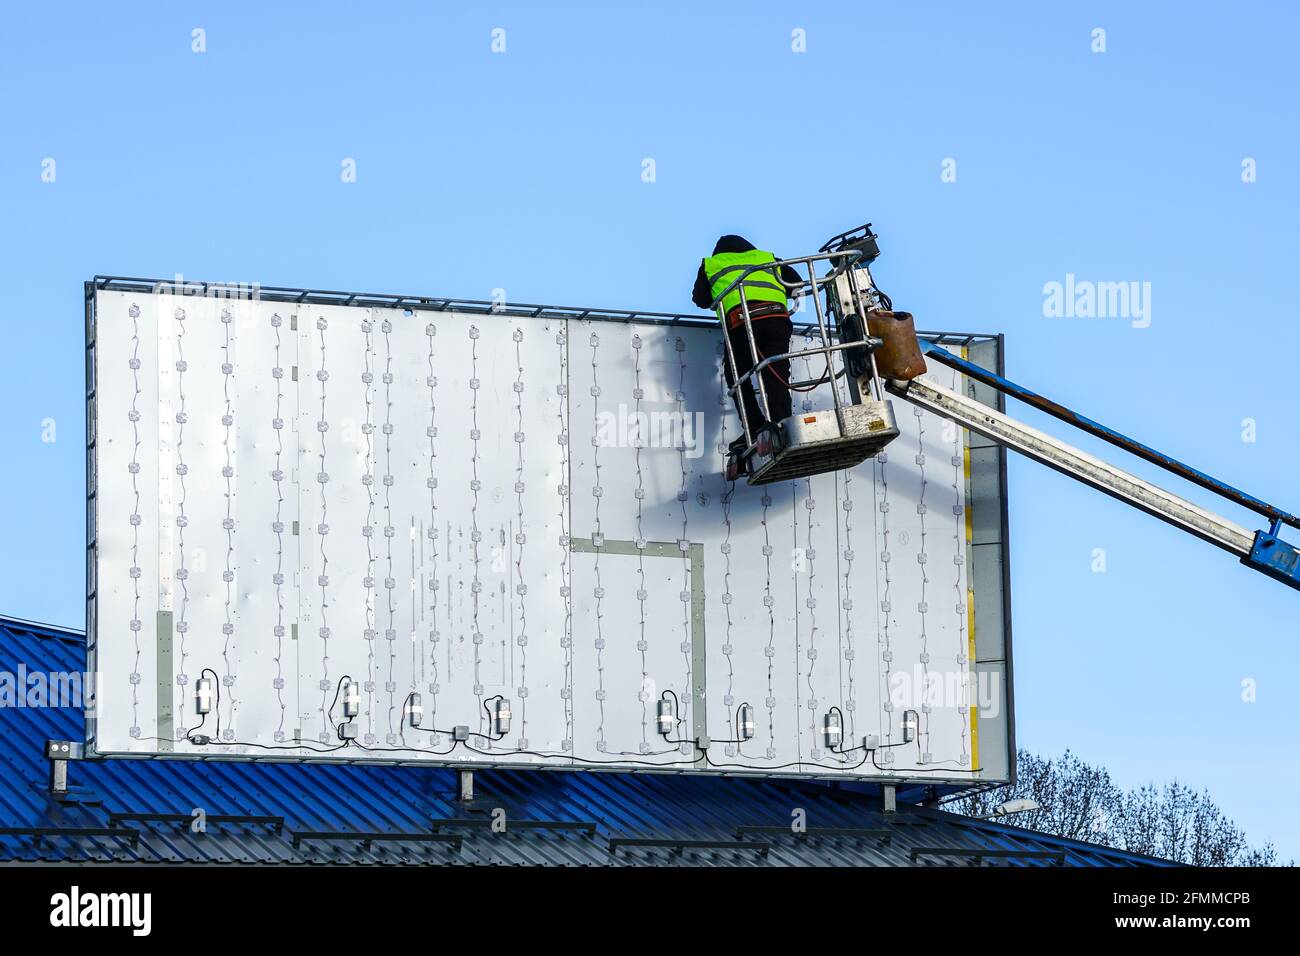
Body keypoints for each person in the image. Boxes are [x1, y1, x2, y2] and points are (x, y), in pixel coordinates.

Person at [692, 235, 801, 452]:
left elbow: (700, 299)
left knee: (737, 376)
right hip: (777, 320)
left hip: (741, 323)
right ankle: (780, 422)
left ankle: (754, 427)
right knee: (775, 371)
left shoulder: (712, 264)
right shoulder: (767, 258)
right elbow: (796, 284)